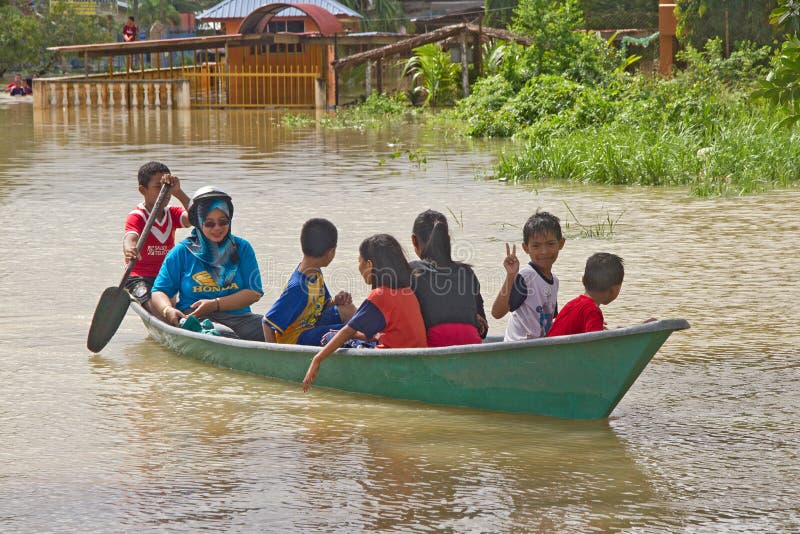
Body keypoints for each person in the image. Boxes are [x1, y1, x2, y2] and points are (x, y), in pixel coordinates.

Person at [302, 234, 427, 392]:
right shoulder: (406, 291)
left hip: (394, 359)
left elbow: (348, 330)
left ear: (369, 264)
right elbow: (381, 333)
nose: (359, 266)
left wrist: (317, 359)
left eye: (359, 261)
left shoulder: (379, 295)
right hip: (415, 358)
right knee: (347, 336)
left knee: (330, 337)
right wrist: (356, 335)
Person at [150, 187, 265, 341]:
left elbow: (254, 292)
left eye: (223, 222)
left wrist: (215, 304)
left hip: (240, 318)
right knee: (222, 334)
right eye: (210, 224)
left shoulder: (242, 248)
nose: (217, 228)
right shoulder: (181, 252)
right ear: (198, 222)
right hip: (196, 320)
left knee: (276, 327)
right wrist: (167, 310)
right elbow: (159, 291)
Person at [262, 218, 356, 345]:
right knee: (347, 331)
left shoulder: (315, 272)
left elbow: (322, 305)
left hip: (312, 324)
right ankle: (369, 345)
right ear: (330, 252)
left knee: (347, 309)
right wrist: (274, 356)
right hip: (297, 337)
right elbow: (267, 323)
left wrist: (335, 301)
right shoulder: (298, 288)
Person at [409, 209, 487, 346]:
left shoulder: (411, 271)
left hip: (432, 348)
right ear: (447, 240)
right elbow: (483, 331)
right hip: (471, 348)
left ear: (414, 240)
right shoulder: (467, 272)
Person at [123, 161, 190, 316]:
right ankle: (169, 319)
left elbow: (197, 217)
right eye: (158, 187)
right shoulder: (137, 215)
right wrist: (130, 248)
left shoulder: (172, 214)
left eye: (167, 188)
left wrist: (178, 192)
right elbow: (130, 237)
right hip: (139, 277)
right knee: (158, 312)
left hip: (166, 275)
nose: (165, 192)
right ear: (142, 190)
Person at [491, 210, 564, 341]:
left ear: (561, 244)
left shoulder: (555, 281)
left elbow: (549, 321)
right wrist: (511, 276)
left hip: (536, 348)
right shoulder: (526, 276)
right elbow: (497, 313)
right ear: (526, 248)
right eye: (536, 246)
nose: (544, 251)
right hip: (518, 347)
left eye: (550, 244)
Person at [547, 253, 624, 337]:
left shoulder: (573, 303)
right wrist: (616, 335)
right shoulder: (592, 310)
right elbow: (596, 344)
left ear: (583, 280)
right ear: (614, 289)